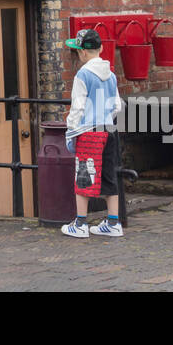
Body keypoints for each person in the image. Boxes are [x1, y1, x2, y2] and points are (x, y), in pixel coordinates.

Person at [61, 28, 126, 238]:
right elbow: (117, 105)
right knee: (109, 175)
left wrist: (71, 129)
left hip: (89, 132)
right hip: (109, 130)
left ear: (82, 52)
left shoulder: (83, 75)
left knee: (83, 176)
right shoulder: (112, 76)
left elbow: (77, 107)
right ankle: (113, 222)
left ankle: (80, 224)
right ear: (101, 48)